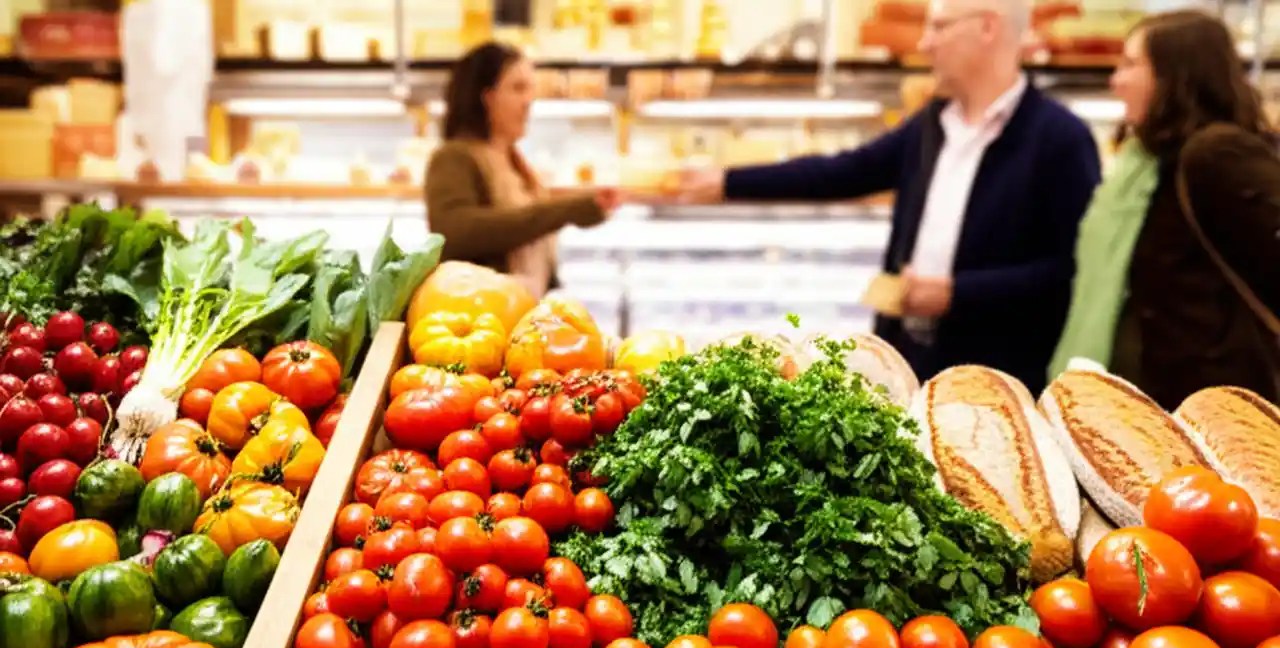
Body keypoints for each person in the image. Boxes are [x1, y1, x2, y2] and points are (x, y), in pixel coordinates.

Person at [679, 0, 1100, 394]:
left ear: (987, 27)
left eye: (938, 27)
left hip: (998, 383)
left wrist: (959, 293)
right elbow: (844, 172)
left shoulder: (1061, 139)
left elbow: (1070, 273)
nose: (923, 43)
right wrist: (727, 181)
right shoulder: (933, 124)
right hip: (909, 363)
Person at [1050, 10, 1280, 407]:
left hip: (1213, 413)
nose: (1115, 81)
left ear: (1177, 74)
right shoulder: (1143, 165)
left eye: (1131, 64)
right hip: (1151, 407)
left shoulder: (1216, 154)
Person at [427, 42, 620, 299]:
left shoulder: (513, 161)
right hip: (477, 319)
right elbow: (455, 231)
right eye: (518, 88)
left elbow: (524, 225)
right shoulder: (454, 157)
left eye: (531, 89)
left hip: (517, 312)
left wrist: (584, 208)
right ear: (486, 97)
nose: (529, 101)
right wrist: (565, 211)